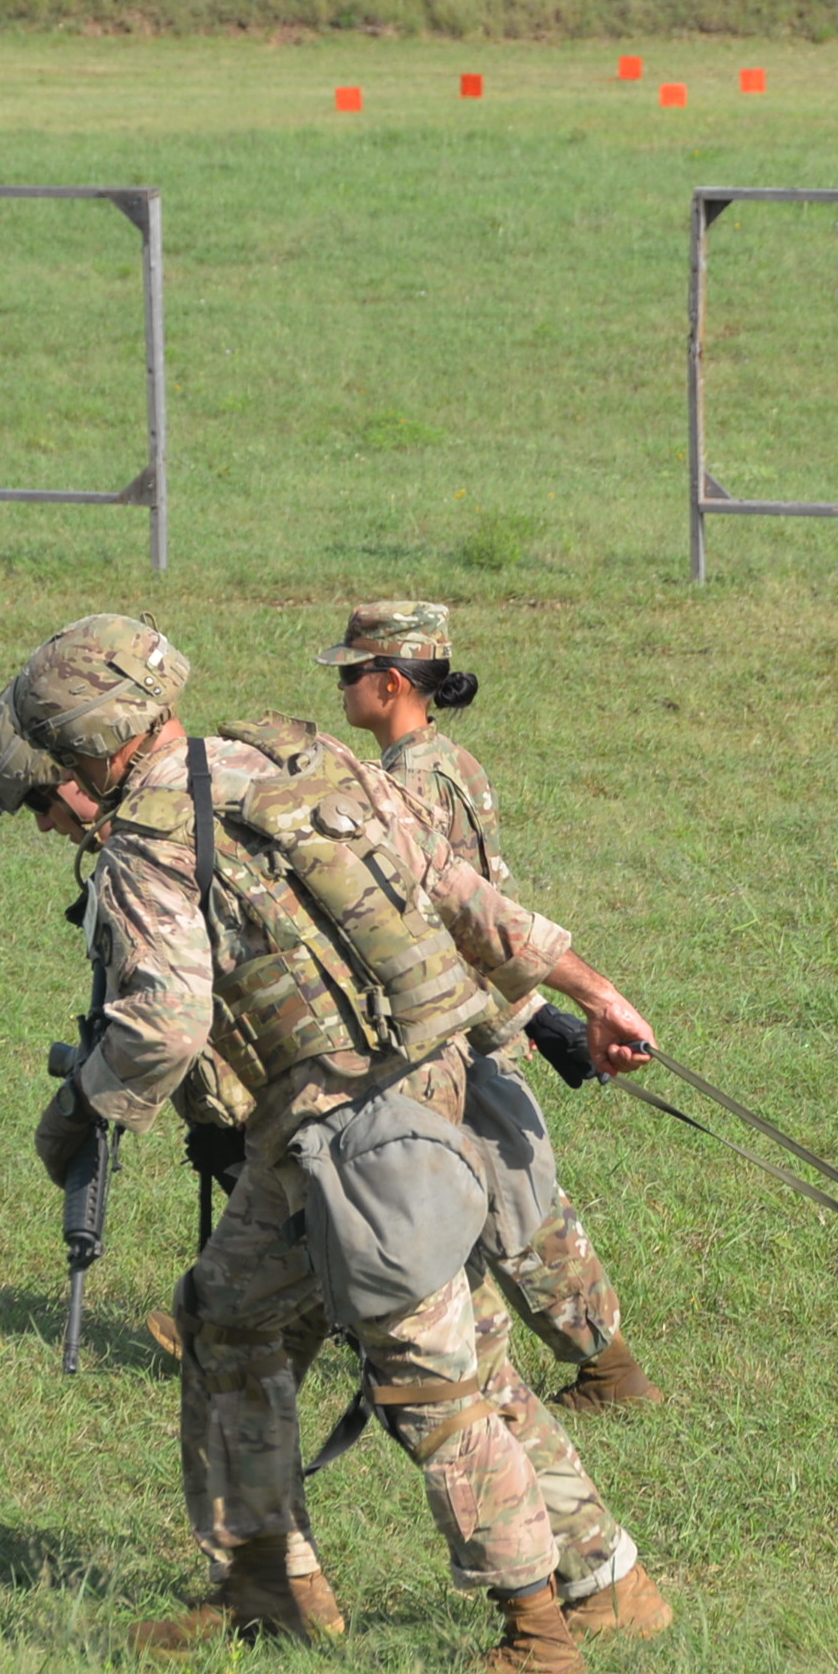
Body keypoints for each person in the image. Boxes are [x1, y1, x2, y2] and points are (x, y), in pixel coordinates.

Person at [0, 613, 672, 1674]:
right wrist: (592, 990)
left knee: (436, 1377)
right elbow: (452, 884)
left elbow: (162, 1024)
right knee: (227, 1319)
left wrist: (80, 1109)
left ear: (91, 744)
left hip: (352, 1139)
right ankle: (274, 1580)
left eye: (56, 770)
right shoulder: (281, 762)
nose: (54, 798)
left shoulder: (148, 842)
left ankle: (544, 1633)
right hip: (399, 1105)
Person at [320, 598, 658, 1411]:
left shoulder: (402, 787)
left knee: (515, 1206)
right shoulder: (453, 763)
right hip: (474, 1013)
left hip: (450, 1027)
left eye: (352, 672)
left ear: (393, 681)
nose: (340, 686)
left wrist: (528, 1018)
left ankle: (610, 1373)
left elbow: (451, 919)